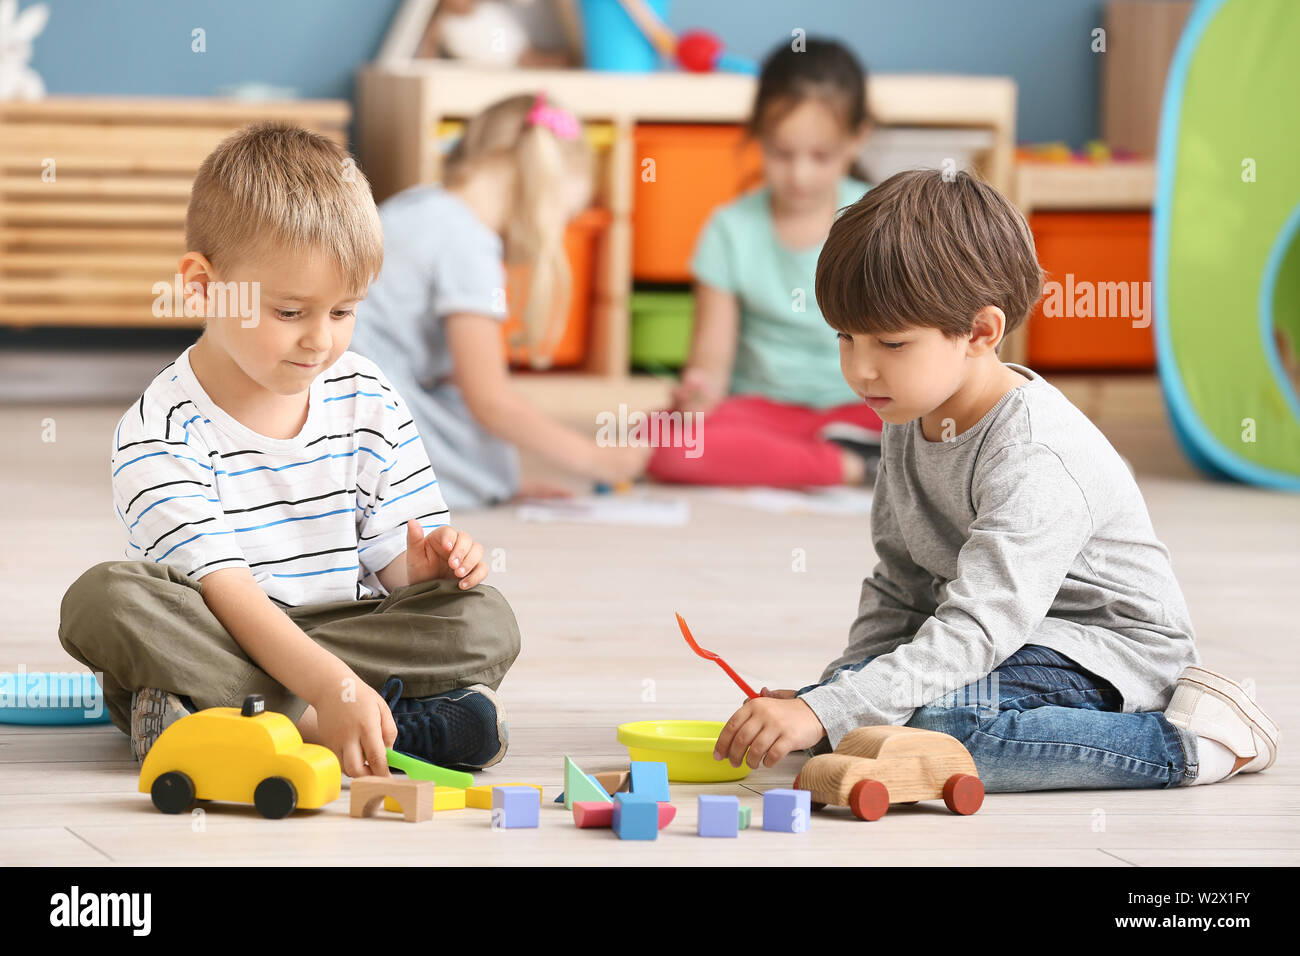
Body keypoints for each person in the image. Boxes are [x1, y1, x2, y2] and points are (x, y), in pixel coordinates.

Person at [712, 169, 1280, 791]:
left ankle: (1194, 746)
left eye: (891, 343)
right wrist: (838, 692)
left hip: (1104, 652)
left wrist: (836, 708)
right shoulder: (908, 409)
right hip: (1007, 641)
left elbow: (983, 625)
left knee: (945, 724)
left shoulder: (1035, 452)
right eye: (846, 338)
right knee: (875, 712)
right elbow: (900, 583)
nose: (861, 368)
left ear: (981, 333)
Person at [58, 122, 521, 778]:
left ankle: (219, 717)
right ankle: (334, 725)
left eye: (342, 312)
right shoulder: (160, 431)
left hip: (338, 632)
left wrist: (422, 569)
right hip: (217, 627)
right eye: (289, 313)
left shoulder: (367, 395)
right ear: (203, 286)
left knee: (485, 619)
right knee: (106, 600)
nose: (320, 341)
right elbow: (232, 598)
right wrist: (331, 691)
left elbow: (391, 564)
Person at [349, 92, 647, 509]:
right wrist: (598, 459)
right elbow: (490, 401)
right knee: (454, 424)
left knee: (456, 408)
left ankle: (487, 482)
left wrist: (500, 476)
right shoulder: (470, 244)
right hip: (362, 403)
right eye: (563, 217)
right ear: (541, 186)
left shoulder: (421, 203)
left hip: (338, 389)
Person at [647, 38, 883, 488]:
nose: (799, 175)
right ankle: (852, 465)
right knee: (656, 439)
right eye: (781, 153)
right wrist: (698, 393)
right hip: (763, 412)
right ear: (757, 134)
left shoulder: (879, 219)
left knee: (950, 427)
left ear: (858, 138)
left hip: (865, 409)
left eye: (820, 156)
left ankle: (833, 456)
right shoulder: (729, 228)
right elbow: (711, 359)